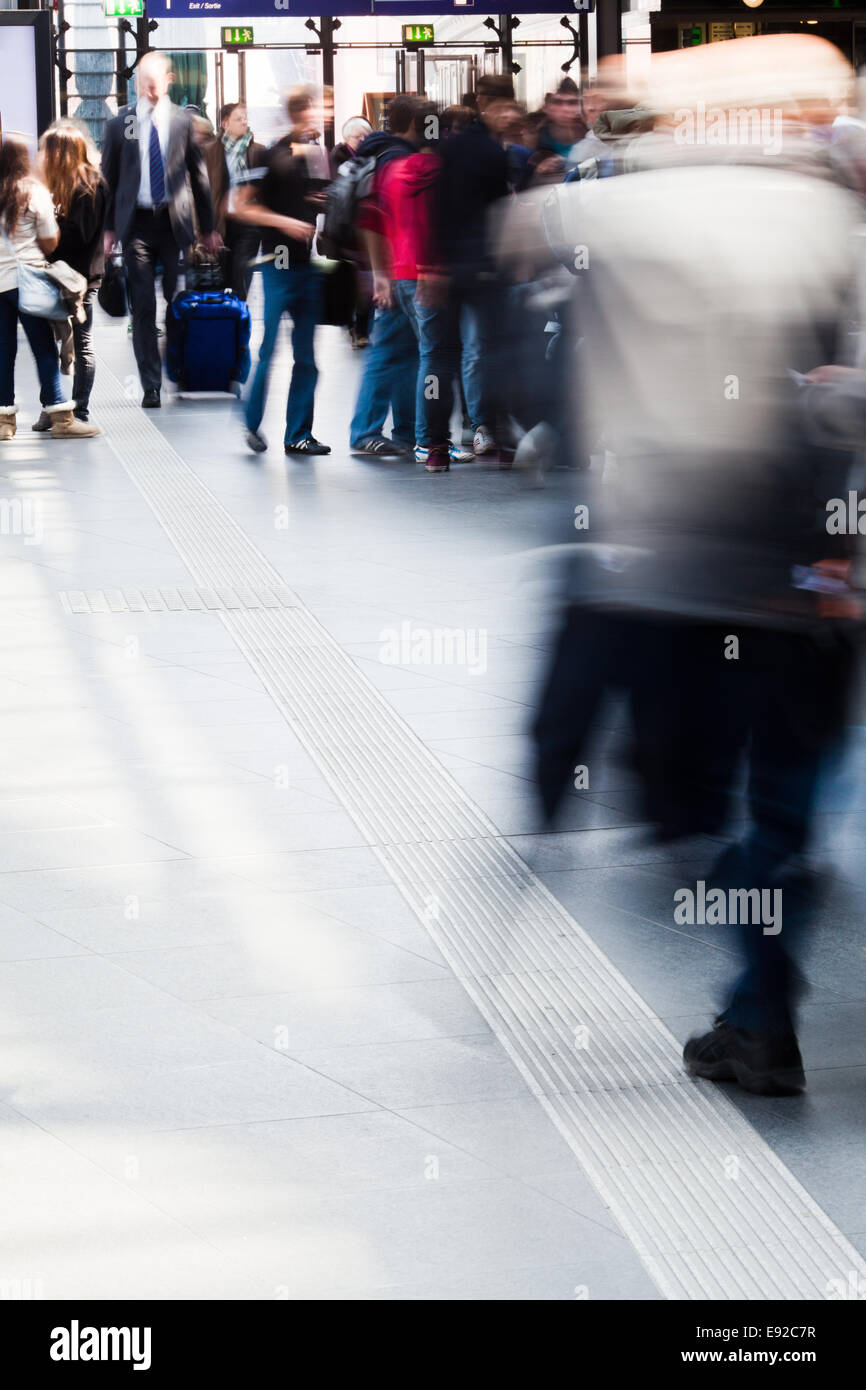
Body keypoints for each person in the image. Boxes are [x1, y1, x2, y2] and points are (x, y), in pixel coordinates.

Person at [101, 50, 220, 409]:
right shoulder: (121, 123)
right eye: (143, 84)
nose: (148, 92)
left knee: (175, 299)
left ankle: (177, 365)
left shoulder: (183, 122)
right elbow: (109, 177)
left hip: (172, 223)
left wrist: (209, 229)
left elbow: (198, 177)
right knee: (142, 306)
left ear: (168, 81)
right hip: (135, 223)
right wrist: (108, 229)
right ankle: (150, 384)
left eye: (154, 84)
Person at [233, 90, 329, 457]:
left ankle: (299, 434)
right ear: (301, 111)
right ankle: (251, 420)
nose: (324, 115)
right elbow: (242, 207)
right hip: (277, 264)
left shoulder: (315, 155)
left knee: (306, 356)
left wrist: (318, 205)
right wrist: (285, 222)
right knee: (269, 349)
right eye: (320, 108)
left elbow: (318, 198)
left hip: (307, 266)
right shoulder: (268, 155)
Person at [348, 96, 426, 457]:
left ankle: (407, 431)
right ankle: (367, 431)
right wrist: (384, 275)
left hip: (391, 268)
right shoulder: (395, 158)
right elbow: (374, 218)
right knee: (390, 349)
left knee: (403, 349)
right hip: (397, 269)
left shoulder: (378, 152)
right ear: (413, 123)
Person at [436, 86, 511, 457]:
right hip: (476, 264)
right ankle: (479, 425)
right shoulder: (487, 153)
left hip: (458, 265)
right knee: (477, 348)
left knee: (458, 351)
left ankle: (444, 435)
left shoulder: (451, 154)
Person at [0, 137, 90, 441]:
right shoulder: (32, 190)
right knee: (44, 350)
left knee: (3, 352)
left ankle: (4, 422)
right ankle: (61, 418)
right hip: (28, 282)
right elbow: (51, 240)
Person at [33, 122, 106, 433]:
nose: (41, 156)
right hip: (52, 274)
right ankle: (52, 406)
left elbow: (81, 235)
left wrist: (46, 236)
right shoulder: (54, 184)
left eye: (46, 151)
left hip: (82, 278)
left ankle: (80, 409)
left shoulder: (91, 186)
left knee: (82, 341)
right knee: (49, 342)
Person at [204, 102, 266, 300]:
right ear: (225, 123)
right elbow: (206, 190)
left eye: (245, 118)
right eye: (238, 118)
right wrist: (208, 228)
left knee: (241, 274)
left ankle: (240, 316)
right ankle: (228, 322)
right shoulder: (211, 151)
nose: (244, 122)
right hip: (222, 223)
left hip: (249, 224)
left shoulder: (257, 151)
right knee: (223, 278)